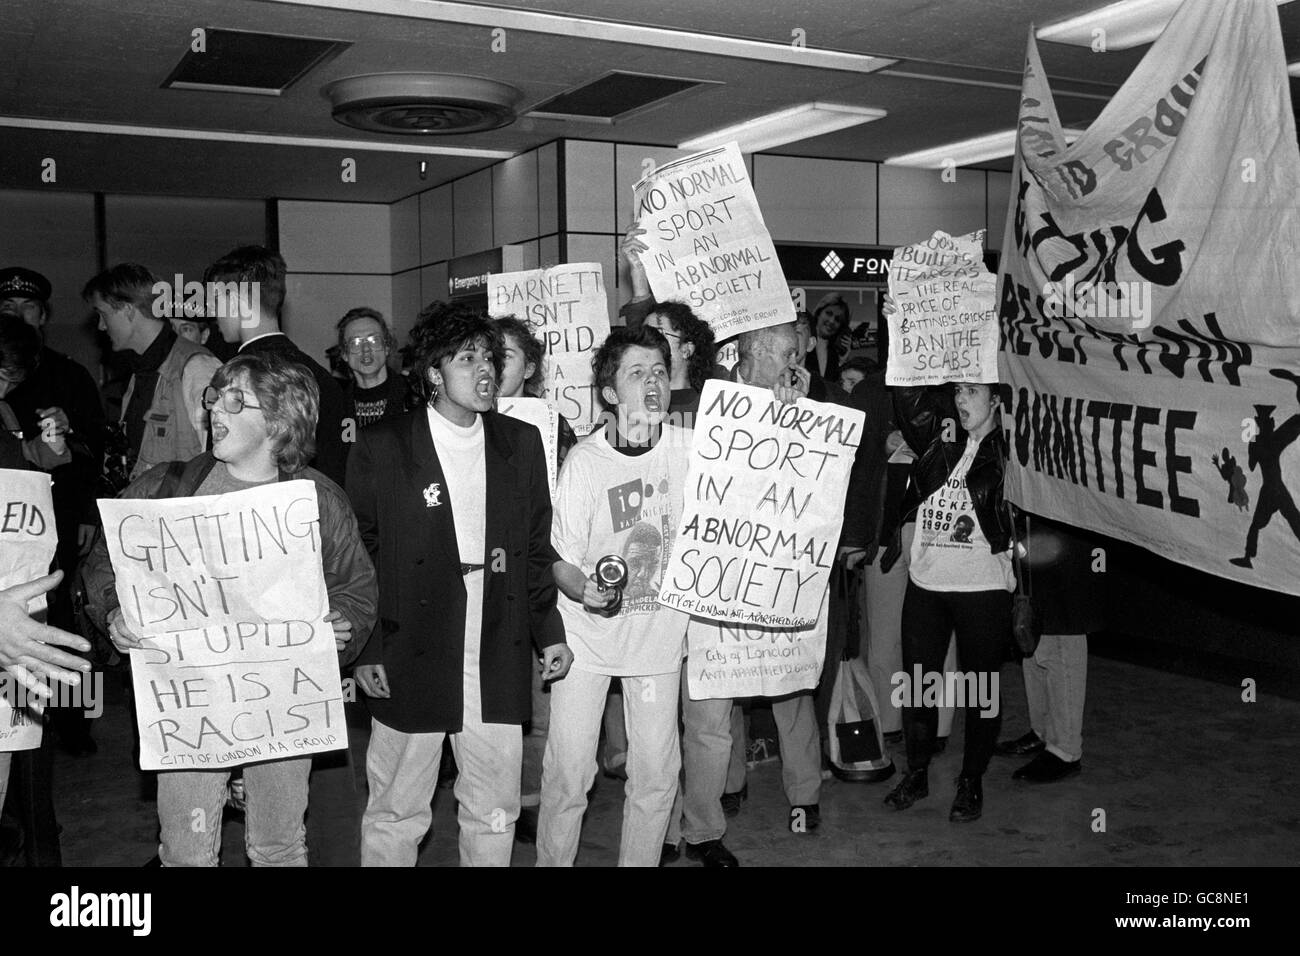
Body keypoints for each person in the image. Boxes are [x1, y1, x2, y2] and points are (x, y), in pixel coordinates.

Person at [82, 351, 378, 866]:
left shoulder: (316, 501)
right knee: (186, 852)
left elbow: (356, 587)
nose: (216, 408)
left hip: (281, 705)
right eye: (215, 396)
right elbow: (104, 566)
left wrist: (344, 625)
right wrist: (114, 614)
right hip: (189, 707)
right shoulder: (165, 489)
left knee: (279, 847)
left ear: (281, 419)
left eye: (237, 400)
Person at [348, 302, 571, 867]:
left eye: (491, 358)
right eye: (467, 357)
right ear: (432, 372)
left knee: (495, 803)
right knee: (398, 804)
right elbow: (361, 555)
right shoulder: (385, 445)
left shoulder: (519, 443)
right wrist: (366, 647)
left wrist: (551, 633)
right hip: (411, 638)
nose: (485, 370)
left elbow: (535, 551)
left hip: (495, 633)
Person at [204, 246, 355, 863]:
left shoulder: (255, 374)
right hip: (301, 616)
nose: (219, 408)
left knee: (273, 800)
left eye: (215, 299)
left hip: (265, 618)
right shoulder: (318, 371)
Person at [665, 322, 822, 867]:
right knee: (709, 706)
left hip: (778, 574)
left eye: (798, 353)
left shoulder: (804, 401)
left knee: (789, 688)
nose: (794, 361)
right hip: (717, 573)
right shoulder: (710, 399)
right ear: (753, 352)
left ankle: (805, 796)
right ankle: (705, 827)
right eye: (786, 352)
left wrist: (798, 411)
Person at [537, 325, 690, 867]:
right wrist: (586, 591)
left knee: (656, 776)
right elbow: (558, 557)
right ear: (608, 394)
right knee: (569, 776)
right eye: (635, 373)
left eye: (658, 371)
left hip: (657, 642)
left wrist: (784, 398)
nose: (651, 383)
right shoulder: (585, 463)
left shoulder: (693, 450)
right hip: (587, 640)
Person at [883, 372, 1014, 824]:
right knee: (919, 687)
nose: (961, 400)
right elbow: (906, 397)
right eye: (957, 391)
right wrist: (896, 334)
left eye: (973, 392)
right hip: (927, 584)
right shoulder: (940, 442)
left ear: (996, 401)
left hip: (984, 589)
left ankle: (971, 781)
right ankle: (916, 773)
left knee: (982, 691)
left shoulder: (1012, 452)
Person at [203, 246, 348, 486]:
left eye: (216, 301)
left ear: (234, 300)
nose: (214, 314)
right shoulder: (321, 377)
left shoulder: (233, 383)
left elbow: (218, 476)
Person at [83, 264, 221, 480]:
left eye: (103, 314)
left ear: (127, 310)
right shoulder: (139, 372)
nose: (101, 326)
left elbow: (218, 463)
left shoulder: (196, 367)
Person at [995, 517, 1104, 782]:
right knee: (1031, 633)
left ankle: (1065, 749)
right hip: (1037, 534)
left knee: (1061, 638)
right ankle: (1042, 731)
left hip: (1068, 537)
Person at [336, 307, 411, 429]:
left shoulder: (412, 397)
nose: (365, 349)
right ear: (345, 354)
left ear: (386, 347)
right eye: (355, 342)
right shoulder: (338, 406)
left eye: (374, 340)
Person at [807, 293, 851, 386]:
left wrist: (842, 361)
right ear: (819, 313)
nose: (831, 321)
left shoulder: (834, 354)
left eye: (837, 320)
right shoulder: (803, 342)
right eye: (829, 313)